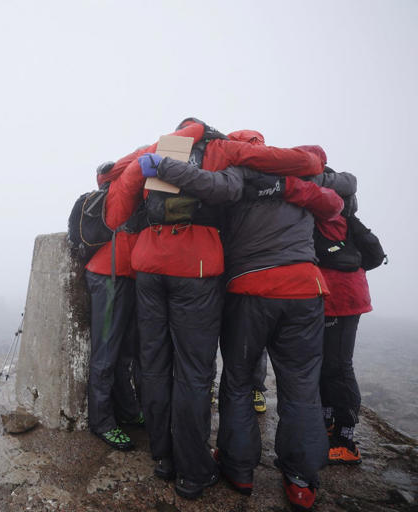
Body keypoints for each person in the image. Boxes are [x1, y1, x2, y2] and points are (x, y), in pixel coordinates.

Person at [106, 119, 327, 500]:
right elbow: (308, 164)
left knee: (154, 366)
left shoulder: (155, 150)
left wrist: (126, 170)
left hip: (148, 267)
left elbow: (114, 218)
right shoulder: (222, 150)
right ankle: (194, 472)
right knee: (194, 373)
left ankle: (164, 457)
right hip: (197, 268)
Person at [141, 150, 355, 511]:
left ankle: (239, 469)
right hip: (305, 289)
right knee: (302, 387)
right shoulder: (300, 177)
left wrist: (162, 164)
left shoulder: (236, 176)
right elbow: (338, 198)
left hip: (249, 290)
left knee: (238, 383)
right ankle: (301, 480)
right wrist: (288, 187)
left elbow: (210, 188)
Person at [315, 196, 385, 465]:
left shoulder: (338, 223)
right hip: (334, 299)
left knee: (339, 366)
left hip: (342, 301)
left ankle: (346, 440)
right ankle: (328, 419)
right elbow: (375, 257)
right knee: (325, 364)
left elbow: (375, 256)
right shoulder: (347, 221)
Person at [83, 161, 144, 450]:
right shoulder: (123, 183)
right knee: (106, 353)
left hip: (123, 274)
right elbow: (146, 156)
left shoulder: (117, 185)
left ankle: (128, 412)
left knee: (124, 352)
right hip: (109, 276)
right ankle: (102, 422)